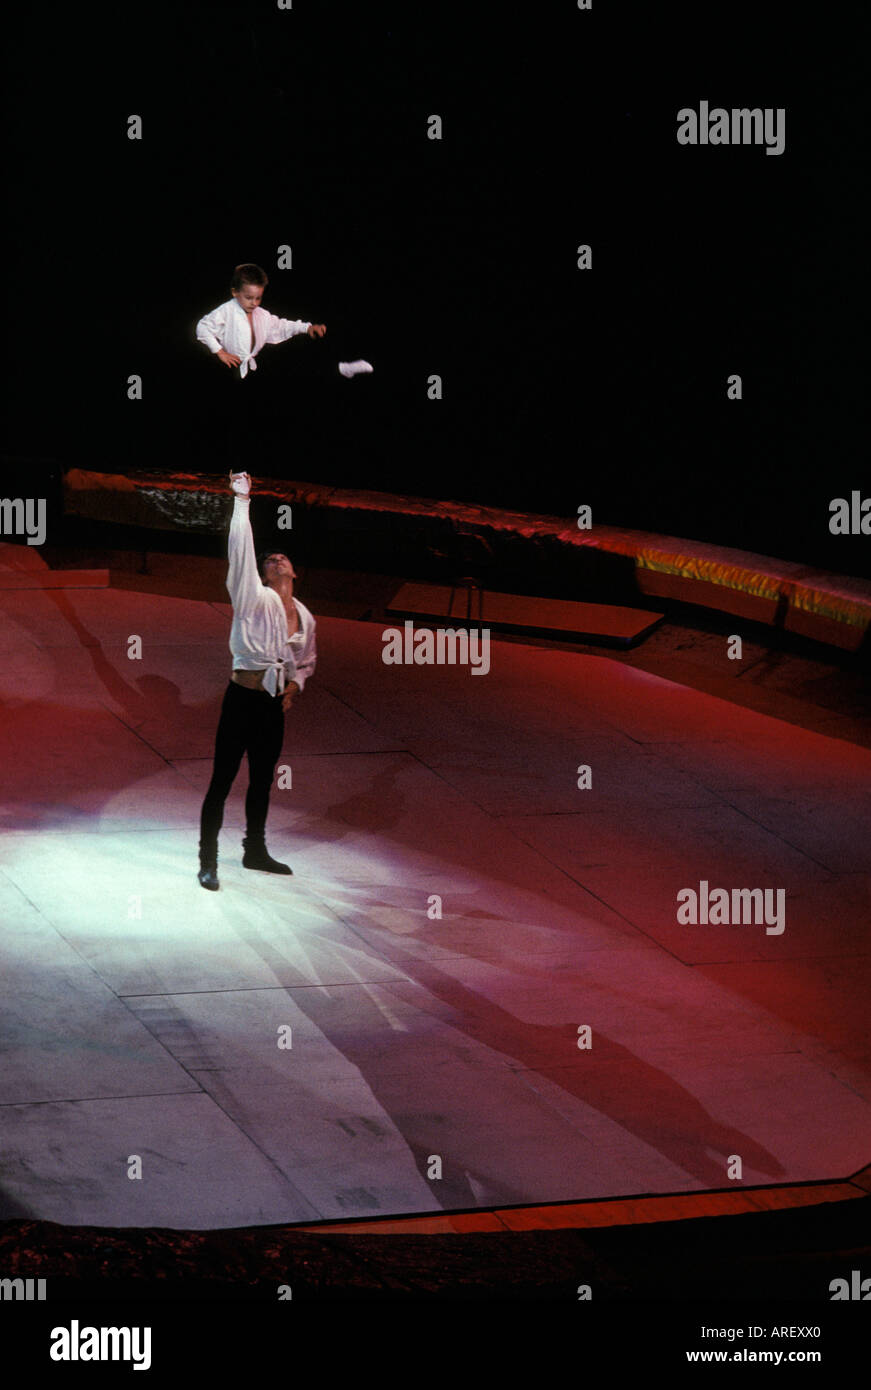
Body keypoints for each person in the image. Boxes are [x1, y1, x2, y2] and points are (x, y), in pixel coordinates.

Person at [197, 470, 317, 891]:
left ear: (295, 573)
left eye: (282, 559)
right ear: (263, 575)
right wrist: (242, 502)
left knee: (262, 780)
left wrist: (294, 686)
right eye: (269, 561)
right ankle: (208, 860)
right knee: (223, 780)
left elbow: (305, 661)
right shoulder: (253, 598)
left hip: (270, 708)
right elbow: (241, 553)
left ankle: (255, 850)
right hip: (242, 701)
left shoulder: (304, 616)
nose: (275, 560)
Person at [195, 263, 326, 378]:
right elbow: (203, 327)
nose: (254, 303)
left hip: (252, 365)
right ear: (235, 292)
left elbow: (281, 326)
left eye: (258, 298)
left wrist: (306, 328)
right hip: (227, 366)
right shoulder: (226, 311)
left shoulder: (261, 314)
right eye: (249, 297)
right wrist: (219, 351)